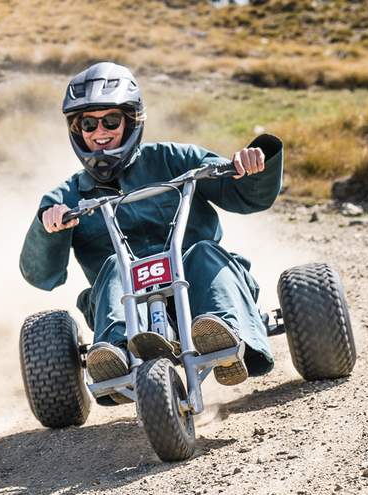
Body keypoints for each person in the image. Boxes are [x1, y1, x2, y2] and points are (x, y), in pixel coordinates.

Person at [19, 62, 284, 401]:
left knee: (203, 251)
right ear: (77, 130)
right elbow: (42, 275)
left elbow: (248, 198)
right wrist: (49, 229)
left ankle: (225, 334)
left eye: (111, 120)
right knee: (117, 264)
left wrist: (251, 166)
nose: (100, 131)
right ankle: (114, 353)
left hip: (201, 288)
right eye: (88, 123)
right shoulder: (66, 197)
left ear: (131, 121)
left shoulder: (176, 159)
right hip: (124, 304)